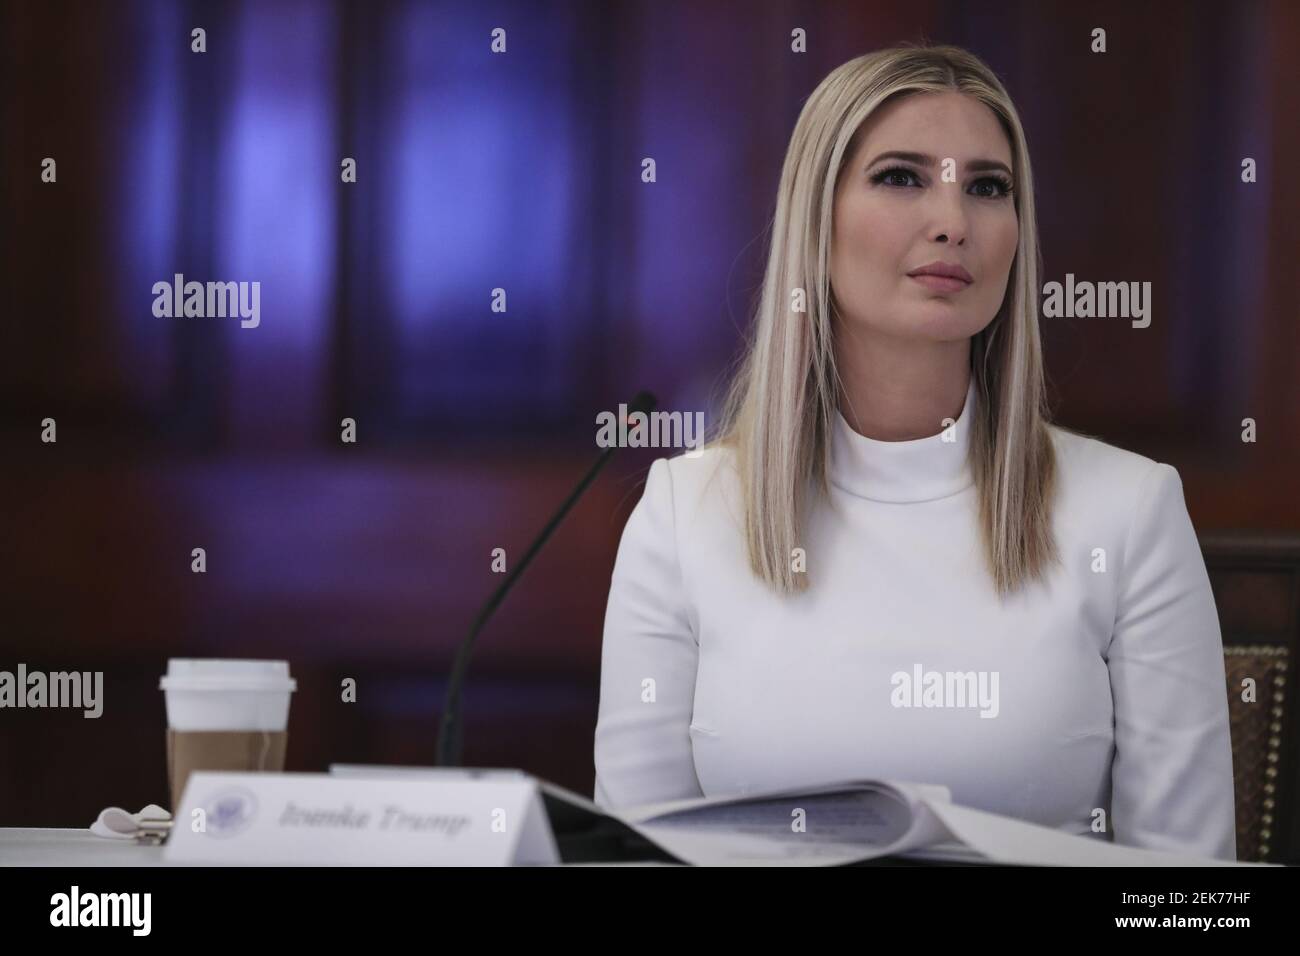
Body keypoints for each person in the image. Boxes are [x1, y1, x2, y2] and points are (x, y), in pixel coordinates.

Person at [592, 44, 1237, 861]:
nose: (953, 221)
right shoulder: (684, 514)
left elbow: (1188, 898)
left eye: (987, 187)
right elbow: (632, 854)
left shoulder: (1129, 509)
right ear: (815, 220)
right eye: (902, 177)